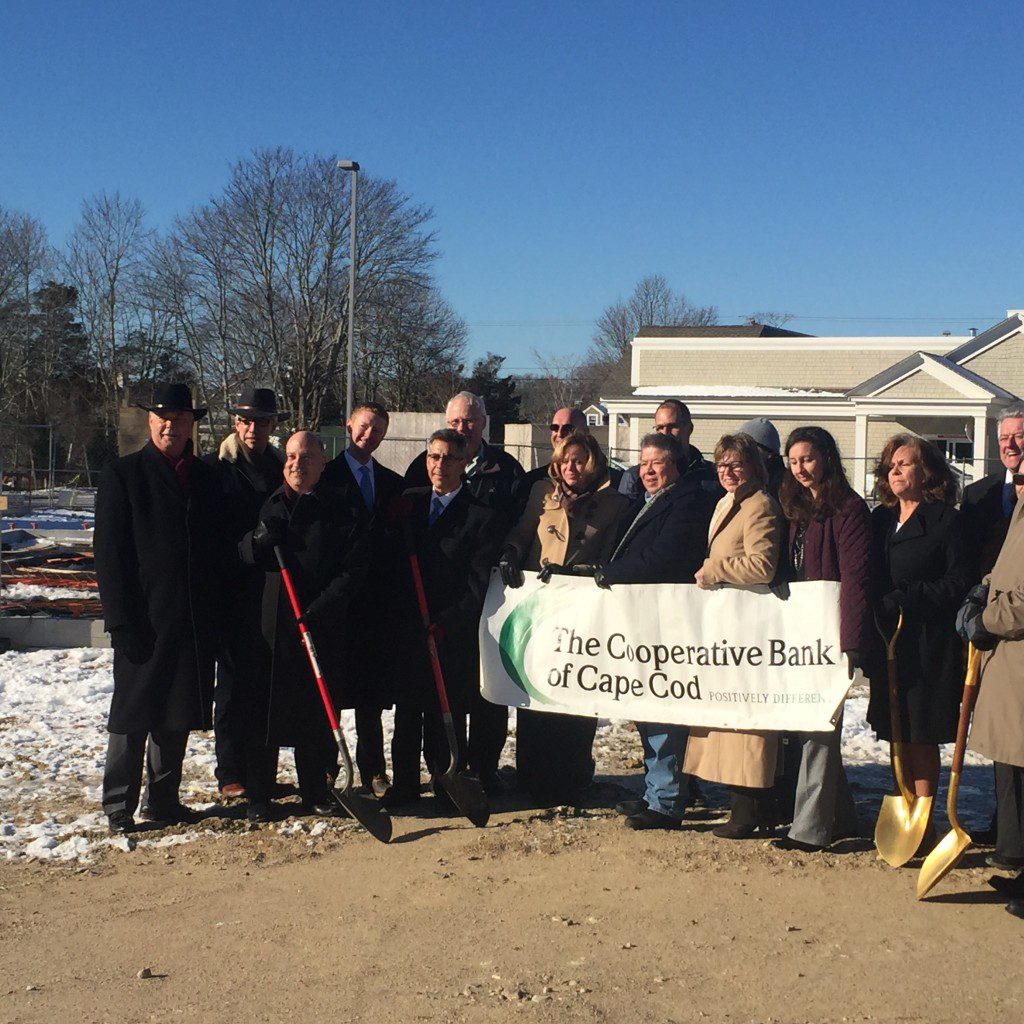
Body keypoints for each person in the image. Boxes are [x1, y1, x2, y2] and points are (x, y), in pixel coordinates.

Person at [95, 383, 228, 834]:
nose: (170, 424)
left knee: (176, 713)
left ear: (193, 423)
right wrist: (119, 620)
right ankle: (118, 804)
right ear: (150, 421)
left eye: (180, 417)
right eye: (162, 416)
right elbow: (109, 556)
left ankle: (164, 800)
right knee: (132, 717)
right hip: (142, 620)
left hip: (191, 619)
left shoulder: (208, 478)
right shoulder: (123, 475)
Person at [239, 431, 369, 820]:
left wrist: (322, 608)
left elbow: (353, 569)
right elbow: (240, 554)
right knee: (264, 711)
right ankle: (259, 793)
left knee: (315, 712)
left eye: (307, 457)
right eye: (292, 457)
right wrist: (258, 539)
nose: (298, 463)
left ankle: (316, 788)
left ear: (322, 463)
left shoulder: (341, 509)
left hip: (317, 624)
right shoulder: (269, 503)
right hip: (271, 627)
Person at [498, 430, 631, 805]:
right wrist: (510, 552)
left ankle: (573, 774)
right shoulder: (542, 491)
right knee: (537, 685)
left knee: (574, 689)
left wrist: (587, 572)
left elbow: (613, 553)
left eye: (579, 461)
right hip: (539, 605)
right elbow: (525, 531)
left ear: (593, 464)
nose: (572, 468)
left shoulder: (614, 503)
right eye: (566, 461)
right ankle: (531, 775)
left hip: (582, 606)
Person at [597, 432, 716, 830]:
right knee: (646, 710)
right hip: (643, 623)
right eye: (643, 463)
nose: (648, 470)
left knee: (664, 711)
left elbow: (661, 559)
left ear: (675, 466)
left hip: (669, 625)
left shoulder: (688, 502)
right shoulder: (646, 502)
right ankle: (653, 791)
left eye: (657, 463)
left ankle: (666, 802)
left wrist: (608, 574)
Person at [391, 429, 504, 809]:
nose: (440, 465)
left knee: (445, 711)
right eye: (434, 457)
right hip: (409, 627)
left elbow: (476, 585)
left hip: (449, 634)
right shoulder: (409, 504)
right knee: (408, 712)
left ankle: (446, 782)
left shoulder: (480, 515)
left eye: (449, 459)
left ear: (463, 464)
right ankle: (404, 785)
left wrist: (445, 624)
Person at [866, 434, 969, 844]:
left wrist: (906, 598)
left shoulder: (947, 521)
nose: (895, 470)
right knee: (896, 726)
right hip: (887, 641)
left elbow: (959, 581)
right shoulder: (879, 520)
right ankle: (902, 797)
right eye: (891, 463)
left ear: (927, 472)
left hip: (928, 643)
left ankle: (924, 815)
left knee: (921, 729)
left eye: (905, 463)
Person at [772, 426, 872, 853]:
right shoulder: (795, 508)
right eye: (794, 462)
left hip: (830, 637)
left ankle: (809, 830)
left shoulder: (849, 510)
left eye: (808, 459)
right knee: (808, 727)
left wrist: (850, 643)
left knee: (819, 729)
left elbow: (856, 580)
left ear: (827, 458)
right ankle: (842, 816)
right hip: (797, 637)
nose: (801, 469)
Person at [684, 433, 784, 838]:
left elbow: (763, 565)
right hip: (728, 625)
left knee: (747, 722)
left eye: (736, 465)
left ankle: (750, 810)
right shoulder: (727, 502)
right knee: (728, 719)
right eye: (721, 464)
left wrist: (715, 570)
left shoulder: (760, 505)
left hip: (751, 627)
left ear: (753, 468)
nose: (727, 472)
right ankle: (741, 805)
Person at [203, 386, 286, 801]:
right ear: (235, 423)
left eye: (264, 421)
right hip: (230, 586)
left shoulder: (278, 465)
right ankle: (229, 770)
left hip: (270, 589)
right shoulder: (216, 468)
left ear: (273, 426)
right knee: (232, 686)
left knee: (263, 685)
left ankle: (261, 769)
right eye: (247, 421)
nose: (255, 429)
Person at [322, 401, 406, 799]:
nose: (368, 435)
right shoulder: (326, 477)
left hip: (376, 605)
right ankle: (326, 768)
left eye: (377, 430)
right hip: (338, 602)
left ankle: (374, 769)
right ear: (348, 425)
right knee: (333, 691)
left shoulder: (390, 482)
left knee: (371, 697)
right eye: (363, 426)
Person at [958, 463, 1024, 916]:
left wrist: (986, 620)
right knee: (1013, 765)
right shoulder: (1021, 508)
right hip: (1009, 660)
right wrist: (980, 593)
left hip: (1016, 651)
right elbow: (1006, 570)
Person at [405, 391, 524, 532]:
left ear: (484, 422)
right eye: (455, 422)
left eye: (469, 421)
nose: (461, 429)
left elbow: (520, 520)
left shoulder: (507, 468)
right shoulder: (424, 465)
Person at [618, 400, 719, 502]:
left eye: (672, 427)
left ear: (689, 428)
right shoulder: (635, 478)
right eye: (660, 427)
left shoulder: (710, 474)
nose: (665, 433)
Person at [737, 417, 785, 498]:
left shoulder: (786, 488)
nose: (740, 452)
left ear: (770, 454)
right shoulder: (735, 477)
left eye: (748, 448)